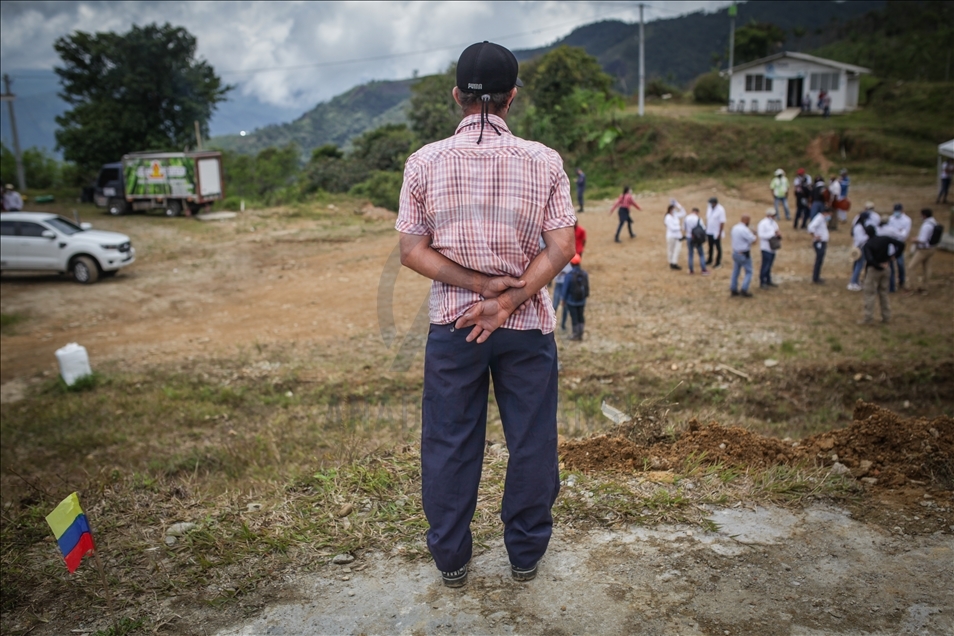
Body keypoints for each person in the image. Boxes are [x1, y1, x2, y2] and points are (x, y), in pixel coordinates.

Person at [395, 41, 576, 588]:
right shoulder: (543, 160)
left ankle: (451, 560)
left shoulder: (424, 162)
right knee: (532, 438)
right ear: (511, 98)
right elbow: (562, 247)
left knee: (450, 441)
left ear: (456, 96)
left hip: (453, 328)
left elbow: (410, 251)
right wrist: (506, 301)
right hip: (525, 328)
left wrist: (477, 289)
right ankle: (525, 554)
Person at [861, 226, 904, 325]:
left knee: (870, 294)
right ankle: (886, 317)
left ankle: (868, 318)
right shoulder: (885, 239)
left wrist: (878, 265)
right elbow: (901, 244)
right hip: (886, 268)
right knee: (884, 293)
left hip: (874, 270)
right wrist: (893, 257)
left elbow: (870, 260)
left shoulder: (868, 245)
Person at [904, 208, 940, 295]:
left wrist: (914, 240)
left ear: (924, 215)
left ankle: (912, 287)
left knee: (911, 267)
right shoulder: (934, 222)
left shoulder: (926, 226)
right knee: (927, 268)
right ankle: (925, 287)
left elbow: (922, 240)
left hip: (923, 250)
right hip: (932, 248)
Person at [848, 202, 880, 291]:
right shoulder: (858, 227)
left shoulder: (861, 226)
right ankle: (853, 282)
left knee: (859, 265)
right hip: (860, 247)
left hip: (861, 246)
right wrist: (868, 236)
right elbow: (860, 239)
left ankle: (856, 281)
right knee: (859, 265)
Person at [880, 203, 911, 293]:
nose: (896, 212)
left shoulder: (907, 220)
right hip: (890, 244)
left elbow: (904, 235)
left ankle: (901, 280)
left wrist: (895, 233)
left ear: (902, 210)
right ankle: (891, 285)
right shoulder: (891, 218)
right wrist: (898, 232)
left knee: (900, 263)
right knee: (891, 265)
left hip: (899, 244)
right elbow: (891, 231)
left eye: (898, 211)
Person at [729, 215, 757, 297]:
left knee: (735, 272)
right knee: (749, 271)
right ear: (746, 221)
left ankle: (733, 289)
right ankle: (744, 289)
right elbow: (753, 240)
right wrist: (754, 233)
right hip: (744, 253)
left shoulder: (734, 228)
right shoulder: (744, 230)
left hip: (735, 252)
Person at [564, 254, 589, 340]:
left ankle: (575, 334)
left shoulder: (569, 275)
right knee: (581, 316)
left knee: (574, 317)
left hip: (572, 301)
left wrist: (563, 299)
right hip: (582, 301)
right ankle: (581, 333)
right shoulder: (584, 274)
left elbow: (565, 289)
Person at [757, 208, 781, 288]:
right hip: (766, 247)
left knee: (770, 265)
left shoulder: (774, 223)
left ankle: (768, 280)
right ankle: (762, 281)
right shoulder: (763, 223)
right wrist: (772, 234)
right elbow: (761, 235)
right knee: (765, 265)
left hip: (772, 247)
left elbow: (777, 231)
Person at [807, 206, 832, 283]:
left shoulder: (822, 219)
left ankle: (817, 276)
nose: (830, 216)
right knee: (818, 260)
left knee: (820, 260)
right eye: (830, 214)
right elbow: (810, 227)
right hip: (819, 242)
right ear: (825, 213)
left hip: (822, 242)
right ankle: (815, 278)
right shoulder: (819, 218)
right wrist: (815, 236)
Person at [683, 207, 709, 275]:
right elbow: (703, 228)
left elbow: (684, 228)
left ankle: (691, 270)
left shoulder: (686, 218)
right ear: (697, 212)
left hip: (689, 237)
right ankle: (703, 270)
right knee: (701, 254)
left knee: (690, 254)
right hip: (697, 238)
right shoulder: (698, 219)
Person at [705, 196, 726, 268]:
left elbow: (722, 222)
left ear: (715, 203)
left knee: (718, 247)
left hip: (716, 231)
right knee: (710, 246)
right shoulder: (709, 208)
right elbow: (708, 219)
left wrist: (720, 233)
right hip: (709, 230)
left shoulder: (721, 210)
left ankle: (718, 262)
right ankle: (710, 259)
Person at [552, 261, 572, 331]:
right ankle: (551, 323)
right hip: (558, 284)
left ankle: (563, 325)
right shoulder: (557, 262)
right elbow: (553, 274)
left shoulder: (569, 263)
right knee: (554, 305)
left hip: (566, 286)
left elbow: (571, 273)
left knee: (565, 306)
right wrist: (559, 274)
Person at [664, 201, 685, 270]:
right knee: (671, 249)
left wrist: (678, 205)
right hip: (671, 236)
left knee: (677, 249)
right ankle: (671, 263)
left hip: (678, 236)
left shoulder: (675, 215)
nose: (674, 210)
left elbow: (683, 213)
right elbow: (672, 228)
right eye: (673, 209)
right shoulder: (667, 217)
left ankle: (674, 262)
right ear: (669, 210)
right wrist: (679, 228)